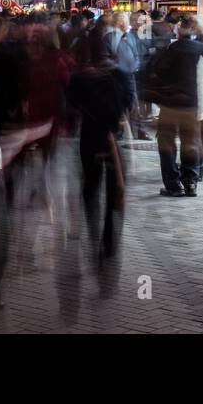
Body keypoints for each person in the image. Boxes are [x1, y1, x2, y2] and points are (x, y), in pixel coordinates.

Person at [66, 27, 130, 295]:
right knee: (114, 204)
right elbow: (127, 104)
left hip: (89, 142)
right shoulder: (119, 75)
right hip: (114, 143)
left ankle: (96, 252)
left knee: (91, 195)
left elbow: (70, 108)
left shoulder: (78, 78)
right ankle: (109, 256)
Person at [151, 17, 203, 196]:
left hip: (171, 105)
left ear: (179, 31)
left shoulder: (171, 49)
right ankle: (191, 183)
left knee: (167, 143)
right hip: (193, 105)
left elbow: (157, 73)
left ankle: (173, 184)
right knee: (192, 142)